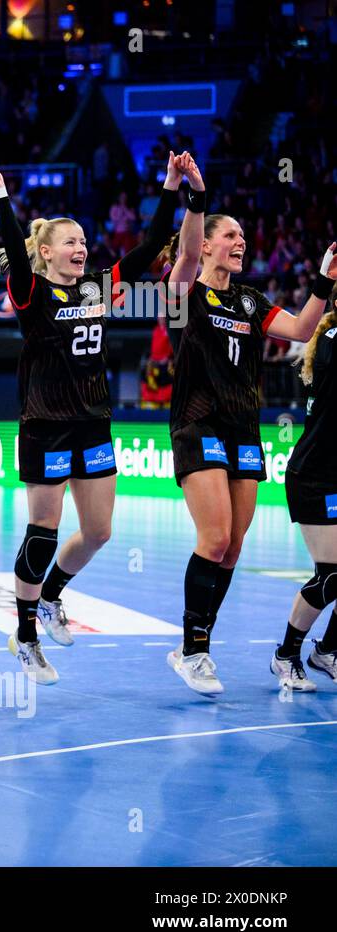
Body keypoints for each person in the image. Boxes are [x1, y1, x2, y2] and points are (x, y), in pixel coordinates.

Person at [0, 151, 182, 685]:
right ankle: (25, 633)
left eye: (83, 242)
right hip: (45, 423)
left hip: (93, 422)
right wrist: (2, 192)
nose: (81, 249)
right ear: (46, 252)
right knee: (42, 532)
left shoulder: (98, 287)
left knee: (98, 531)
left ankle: (50, 597)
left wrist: (169, 187)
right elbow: (11, 245)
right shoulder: (29, 291)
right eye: (70, 242)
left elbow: (147, 248)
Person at [162, 155, 336, 696]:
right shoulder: (185, 292)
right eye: (230, 235)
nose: (241, 242)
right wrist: (196, 197)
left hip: (243, 429)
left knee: (233, 548)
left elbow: (304, 328)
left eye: (243, 237)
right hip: (197, 424)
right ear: (208, 244)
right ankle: (193, 649)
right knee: (212, 538)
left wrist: (324, 281)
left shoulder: (250, 298)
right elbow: (185, 256)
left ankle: (197, 647)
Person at [279, 300, 337, 689]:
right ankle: (286, 655)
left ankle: (326, 652)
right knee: (332, 575)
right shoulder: (333, 339)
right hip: (315, 477)